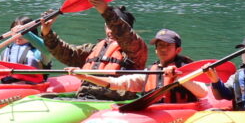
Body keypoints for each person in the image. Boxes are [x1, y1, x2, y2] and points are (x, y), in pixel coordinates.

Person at [40, 0, 148, 100]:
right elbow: (67, 53)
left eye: (112, 27)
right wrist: (47, 32)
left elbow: (124, 33)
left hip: (114, 102)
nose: (110, 31)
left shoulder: (136, 49)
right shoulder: (94, 49)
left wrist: (106, 11)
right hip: (86, 97)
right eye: (107, 26)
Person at [74, 29, 210, 103]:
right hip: (154, 114)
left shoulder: (189, 70)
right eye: (160, 45)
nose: (163, 49)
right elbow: (114, 83)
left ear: (178, 50)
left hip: (180, 113)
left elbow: (203, 92)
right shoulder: (150, 72)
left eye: (168, 46)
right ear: (155, 50)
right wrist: (85, 76)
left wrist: (179, 76)